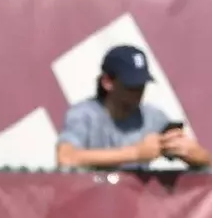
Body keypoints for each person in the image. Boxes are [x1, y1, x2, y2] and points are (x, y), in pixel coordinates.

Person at [57, 46, 208, 170]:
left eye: (141, 85)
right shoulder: (84, 115)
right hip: (89, 202)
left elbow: (205, 162)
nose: (138, 93)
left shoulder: (153, 118)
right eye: (131, 86)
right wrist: (135, 153)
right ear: (107, 82)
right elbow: (66, 157)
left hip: (134, 204)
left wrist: (195, 154)